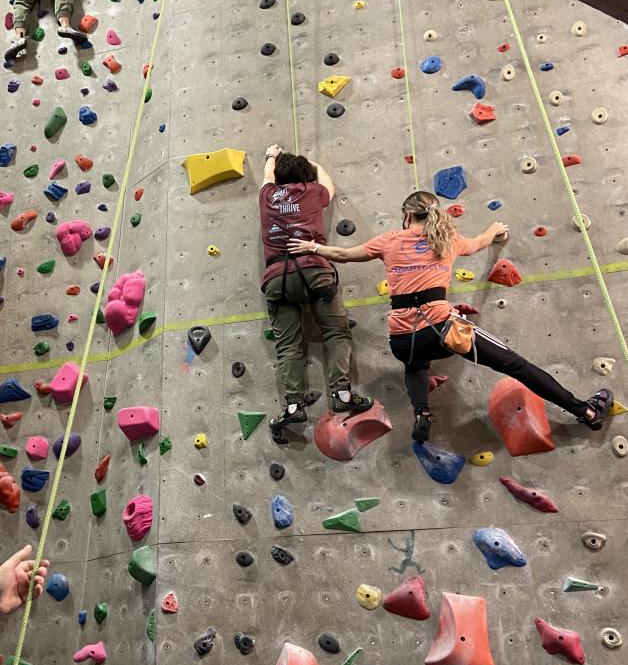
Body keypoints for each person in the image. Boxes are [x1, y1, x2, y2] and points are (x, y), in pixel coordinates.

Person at [291, 189, 613, 443]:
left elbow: (344, 255)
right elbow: (478, 243)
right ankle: (585, 411)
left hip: (402, 339)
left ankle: (422, 413)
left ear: (407, 216)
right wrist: (495, 229)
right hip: (443, 331)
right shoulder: (447, 240)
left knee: (415, 365)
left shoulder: (389, 240)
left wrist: (312, 248)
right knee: (515, 365)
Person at [260, 145, 373, 442]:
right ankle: (342, 394)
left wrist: (272, 155)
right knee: (335, 332)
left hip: (277, 278)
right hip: (314, 271)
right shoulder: (312, 192)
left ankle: (294, 406)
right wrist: (310, 161)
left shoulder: (267, 196)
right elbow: (328, 183)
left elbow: (267, 175)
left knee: (288, 345)